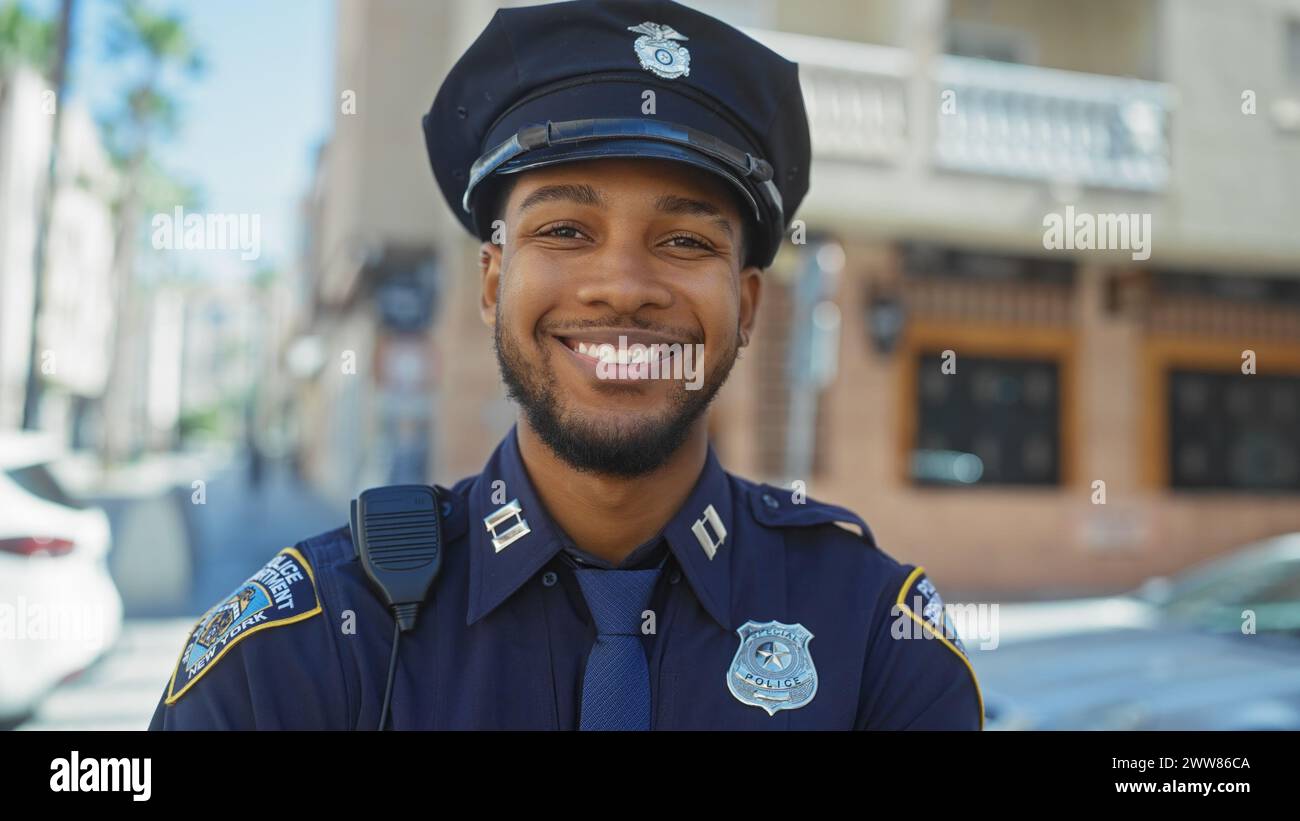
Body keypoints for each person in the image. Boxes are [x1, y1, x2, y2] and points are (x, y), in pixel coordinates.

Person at [149, 0, 982, 731]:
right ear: (492, 279)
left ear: (751, 306)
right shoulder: (312, 641)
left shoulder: (877, 638)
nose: (623, 288)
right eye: (564, 231)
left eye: (686, 241)